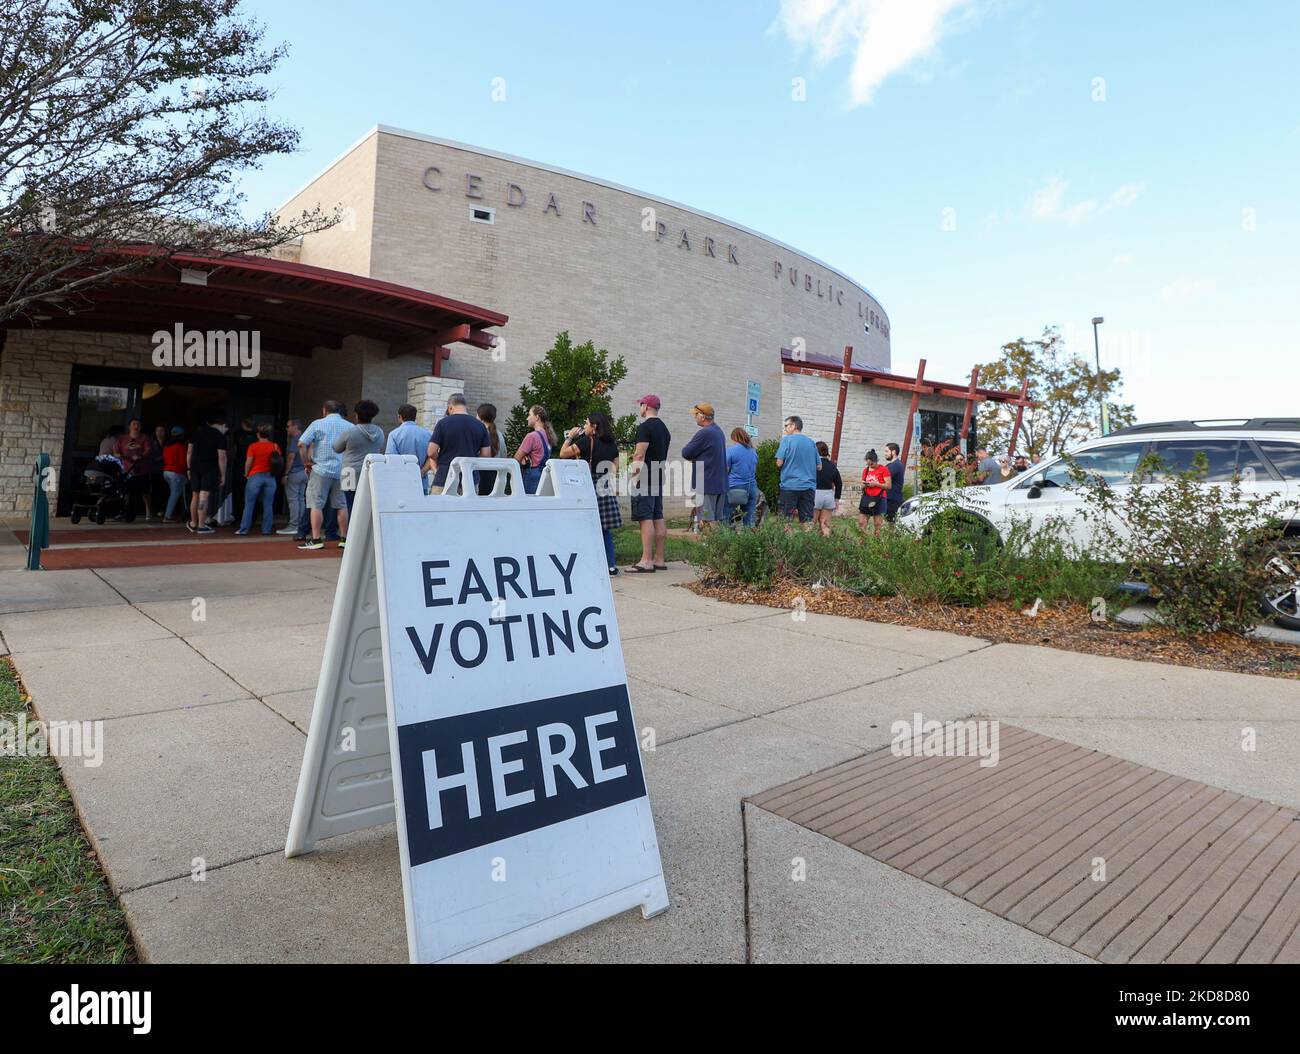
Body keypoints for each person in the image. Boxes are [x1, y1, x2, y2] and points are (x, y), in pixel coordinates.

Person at [560, 411, 622, 575]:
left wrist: (569, 437)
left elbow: (562, 454)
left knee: (585, 526)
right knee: (604, 529)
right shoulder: (612, 444)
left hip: (588, 487)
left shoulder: (586, 442)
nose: (584, 426)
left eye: (586, 423)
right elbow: (616, 467)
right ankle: (611, 565)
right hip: (605, 486)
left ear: (594, 427)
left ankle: (587, 564)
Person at [297, 400, 352, 550]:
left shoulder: (317, 424)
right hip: (344, 471)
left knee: (316, 503)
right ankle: (344, 538)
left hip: (321, 469)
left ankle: (316, 539)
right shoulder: (350, 426)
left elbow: (301, 444)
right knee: (342, 505)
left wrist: (306, 462)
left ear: (324, 411)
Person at [625, 394, 670, 573]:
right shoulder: (664, 429)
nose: (639, 408)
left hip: (645, 477)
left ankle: (646, 561)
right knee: (657, 515)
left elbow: (639, 455)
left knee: (645, 517)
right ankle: (659, 559)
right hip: (659, 476)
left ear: (646, 406)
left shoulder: (645, 427)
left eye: (640, 405)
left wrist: (632, 474)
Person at [428, 393, 492, 494]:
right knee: (467, 509)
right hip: (470, 478)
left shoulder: (443, 424)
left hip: (445, 476)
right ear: (465, 407)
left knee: (439, 509)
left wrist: (439, 460)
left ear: (450, 407)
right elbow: (486, 455)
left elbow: (431, 452)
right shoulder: (480, 425)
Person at [681, 401, 727, 533]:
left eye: (695, 414)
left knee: (707, 519)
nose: (694, 417)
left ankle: (712, 549)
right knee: (716, 519)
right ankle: (720, 548)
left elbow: (686, 452)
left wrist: (694, 458)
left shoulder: (704, 433)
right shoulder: (718, 431)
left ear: (702, 416)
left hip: (706, 482)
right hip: (719, 483)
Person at [333, 399, 385, 514]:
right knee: (367, 506)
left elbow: (336, 448)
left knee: (350, 504)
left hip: (349, 472)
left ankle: (352, 531)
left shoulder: (350, 432)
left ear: (357, 415)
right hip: (370, 472)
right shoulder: (380, 432)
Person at [186, 413, 227, 535]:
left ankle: (193, 523)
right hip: (210, 468)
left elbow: (189, 452)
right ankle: (202, 525)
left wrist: (188, 468)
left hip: (194, 468)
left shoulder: (195, 434)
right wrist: (223, 474)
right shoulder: (219, 436)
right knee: (203, 497)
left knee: (195, 495)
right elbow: (222, 457)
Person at [237, 423, 281, 535]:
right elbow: (278, 461)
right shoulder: (275, 446)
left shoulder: (253, 446)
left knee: (249, 504)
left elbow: (249, 462)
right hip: (270, 477)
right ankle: (266, 529)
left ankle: (244, 529)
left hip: (255, 476)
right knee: (268, 504)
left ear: (258, 435)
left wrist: (246, 473)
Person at [775, 415, 818, 525]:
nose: (785, 429)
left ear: (793, 425)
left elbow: (779, 463)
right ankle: (808, 542)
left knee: (786, 520)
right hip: (808, 487)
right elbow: (819, 466)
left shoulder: (786, 440)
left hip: (790, 486)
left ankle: (787, 542)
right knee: (807, 521)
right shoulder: (811, 443)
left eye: (786, 426)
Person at [385, 403, 433, 494]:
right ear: (415, 417)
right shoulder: (427, 434)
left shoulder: (394, 434)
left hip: (401, 483)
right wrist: (422, 472)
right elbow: (432, 457)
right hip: (421, 482)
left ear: (400, 417)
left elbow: (391, 459)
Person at [114, 418, 156, 521]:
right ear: (129, 426)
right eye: (134, 424)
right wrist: (120, 456)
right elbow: (115, 451)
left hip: (141, 469)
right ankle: (123, 511)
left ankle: (148, 511)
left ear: (140, 427)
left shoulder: (144, 438)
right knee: (125, 491)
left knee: (145, 492)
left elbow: (148, 450)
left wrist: (141, 455)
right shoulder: (122, 439)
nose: (136, 426)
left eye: (138, 424)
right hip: (126, 470)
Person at [513, 404, 557, 495]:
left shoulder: (532, 436)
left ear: (537, 417)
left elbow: (516, 459)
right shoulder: (548, 435)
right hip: (544, 476)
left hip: (532, 476)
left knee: (528, 506)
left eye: (529, 415)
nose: (527, 418)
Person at [723, 428, 759, 527]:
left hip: (734, 487)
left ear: (734, 438)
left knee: (725, 516)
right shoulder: (753, 451)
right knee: (749, 518)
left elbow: (724, 470)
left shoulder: (730, 451)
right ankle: (749, 539)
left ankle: (725, 539)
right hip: (751, 488)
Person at [278, 419, 308, 536]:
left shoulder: (295, 439)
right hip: (304, 471)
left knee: (293, 499)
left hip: (295, 471)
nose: (287, 429)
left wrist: (285, 473)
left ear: (295, 427)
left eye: (288, 426)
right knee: (300, 498)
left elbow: (291, 457)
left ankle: (294, 525)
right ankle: (300, 524)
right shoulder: (306, 438)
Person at [475, 403, 508, 495]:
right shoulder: (499, 435)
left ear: (480, 416)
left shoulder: (479, 433)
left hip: (481, 476)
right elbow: (504, 455)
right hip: (497, 476)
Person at [813, 441, 843, 537]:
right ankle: (827, 546)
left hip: (815, 494)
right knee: (825, 524)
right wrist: (837, 499)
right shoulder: (832, 466)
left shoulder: (814, 464)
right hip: (829, 495)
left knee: (810, 524)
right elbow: (839, 483)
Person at [859, 449, 890, 536]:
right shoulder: (866, 470)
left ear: (876, 461)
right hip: (867, 498)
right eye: (868, 464)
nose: (870, 466)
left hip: (879, 498)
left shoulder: (883, 469)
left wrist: (876, 484)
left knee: (877, 524)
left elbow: (888, 486)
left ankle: (876, 544)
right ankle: (862, 543)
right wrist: (865, 485)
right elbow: (861, 486)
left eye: (872, 464)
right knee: (862, 523)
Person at [161, 427, 188, 522]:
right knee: (175, 494)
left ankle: (169, 514)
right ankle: (167, 516)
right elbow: (184, 462)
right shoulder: (180, 446)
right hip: (177, 472)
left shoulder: (166, 446)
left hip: (166, 472)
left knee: (174, 494)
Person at [884, 441, 906, 522]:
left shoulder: (896, 465)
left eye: (887, 451)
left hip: (893, 500)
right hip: (890, 499)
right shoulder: (891, 465)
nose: (885, 453)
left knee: (892, 525)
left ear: (893, 452)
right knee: (890, 525)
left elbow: (882, 477)